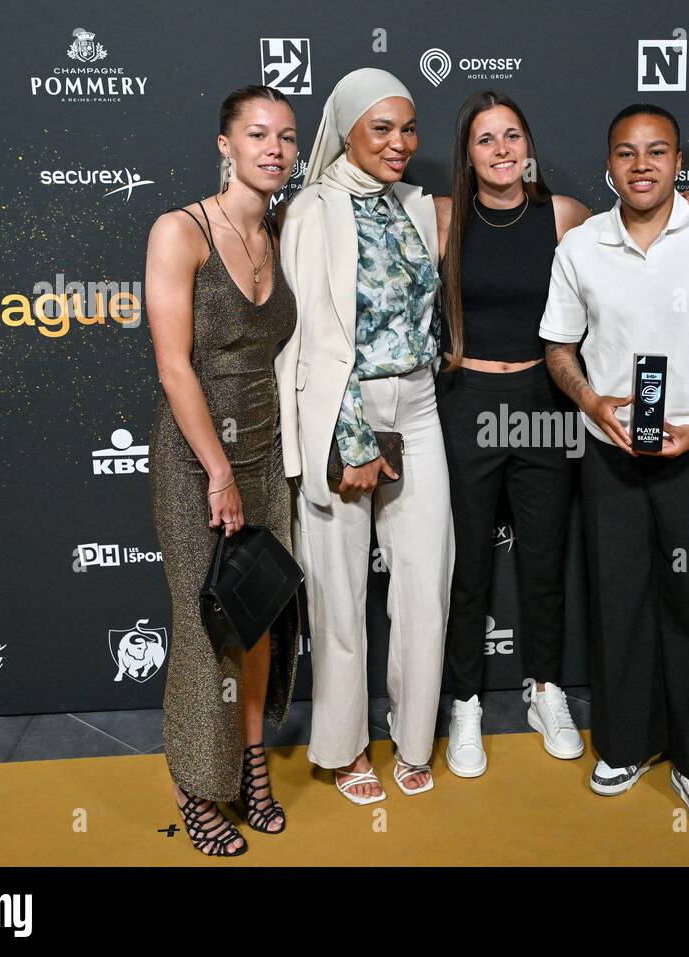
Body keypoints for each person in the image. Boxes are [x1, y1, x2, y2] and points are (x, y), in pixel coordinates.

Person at [541, 104, 689, 836]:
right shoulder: (582, 245)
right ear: (608, 164)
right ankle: (627, 744)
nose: (642, 165)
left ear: (677, 162)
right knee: (618, 601)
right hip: (611, 455)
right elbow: (558, 349)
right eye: (626, 152)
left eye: (657, 151)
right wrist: (591, 400)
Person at [276, 68, 451, 804]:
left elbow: (530, 211)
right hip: (344, 411)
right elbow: (315, 334)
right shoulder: (314, 208)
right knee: (340, 591)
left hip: (418, 404)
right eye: (382, 128)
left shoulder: (416, 205)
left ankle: (413, 737)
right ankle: (346, 747)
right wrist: (351, 440)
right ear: (346, 129)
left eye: (408, 128)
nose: (400, 143)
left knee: (424, 578)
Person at [145, 84, 300, 856]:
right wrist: (217, 471)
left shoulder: (277, 232)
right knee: (205, 630)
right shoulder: (180, 230)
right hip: (196, 460)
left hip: (266, 455)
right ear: (225, 145)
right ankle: (196, 788)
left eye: (287, 138)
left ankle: (248, 764)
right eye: (257, 135)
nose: (274, 148)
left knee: (259, 619)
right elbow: (175, 368)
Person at [433, 91, 591, 777]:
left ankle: (546, 690)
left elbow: (642, 236)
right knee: (466, 565)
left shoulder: (562, 216)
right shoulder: (442, 217)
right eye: (486, 139)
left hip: (542, 398)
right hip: (466, 397)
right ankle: (465, 702)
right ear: (467, 154)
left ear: (529, 145)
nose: (502, 150)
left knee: (543, 557)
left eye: (513, 136)